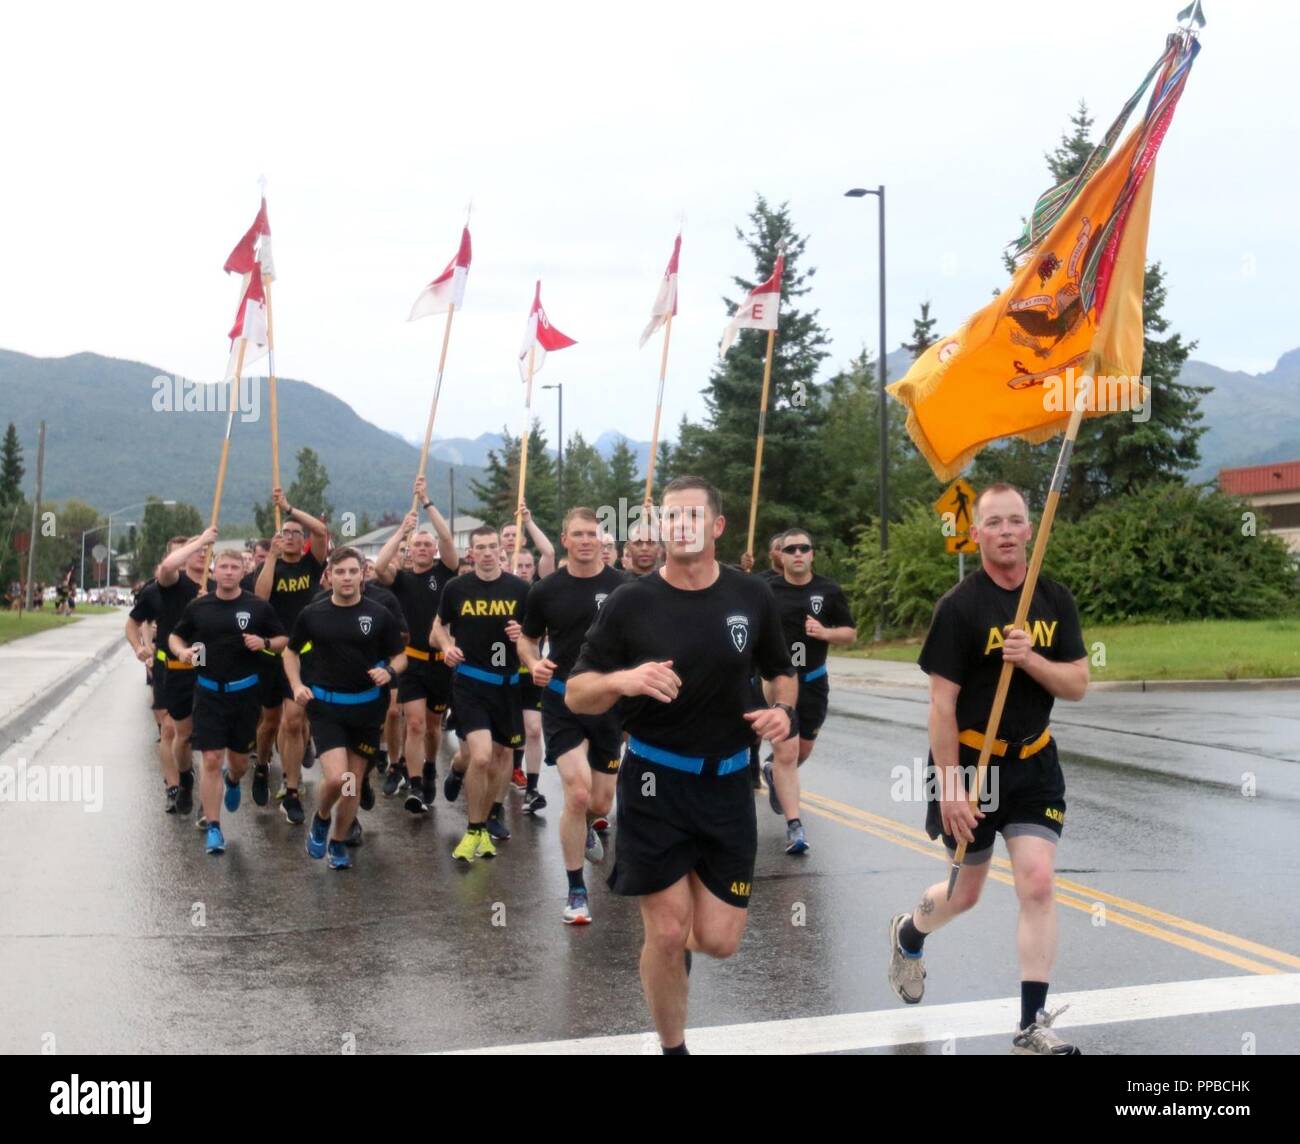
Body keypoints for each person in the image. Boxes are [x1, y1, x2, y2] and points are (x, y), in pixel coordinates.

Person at [566, 477, 794, 1054]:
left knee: (717, 941)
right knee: (667, 932)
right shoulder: (630, 601)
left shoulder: (751, 597)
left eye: (694, 516)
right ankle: (673, 1046)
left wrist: (783, 711)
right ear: (660, 527)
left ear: (717, 526)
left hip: (727, 787)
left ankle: (674, 955)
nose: (681, 525)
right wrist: (625, 679)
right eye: (671, 517)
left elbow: (780, 670)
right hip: (653, 784)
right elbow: (577, 693)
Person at [885, 483, 1089, 1055]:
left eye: (1014, 521)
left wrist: (1032, 660)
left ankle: (1032, 1024)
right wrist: (950, 787)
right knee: (966, 893)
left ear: (1030, 530)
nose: (1004, 531)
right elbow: (941, 706)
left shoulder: (1054, 599)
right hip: (972, 766)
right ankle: (909, 932)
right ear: (975, 535)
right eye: (992, 522)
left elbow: (1077, 683)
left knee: (1039, 882)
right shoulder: (960, 608)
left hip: (1033, 762)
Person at [519, 507, 629, 923]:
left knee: (599, 803)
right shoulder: (546, 590)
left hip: (609, 703)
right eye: (577, 534)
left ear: (602, 540)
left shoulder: (623, 588)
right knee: (577, 792)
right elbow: (528, 641)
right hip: (563, 700)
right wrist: (533, 663)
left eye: (593, 534)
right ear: (564, 540)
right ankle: (576, 890)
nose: (586, 541)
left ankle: (585, 826)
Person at [284, 547, 407, 870]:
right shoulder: (313, 614)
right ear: (330, 575)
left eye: (353, 571)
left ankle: (338, 841)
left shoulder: (380, 614)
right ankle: (322, 817)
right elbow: (290, 652)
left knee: (352, 782)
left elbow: (400, 655)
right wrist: (297, 685)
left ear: (363, 573)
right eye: (340, 572)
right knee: (338, 778)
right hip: (326, 708)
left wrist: (389, 672)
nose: (348, 578)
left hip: (367, 710)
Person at [169, 549, 287, 854]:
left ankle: (233, 781)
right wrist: (181, 652)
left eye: (236, 567)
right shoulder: (199, 606)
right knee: (210, 759)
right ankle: (214, 827)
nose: (230, 571)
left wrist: (264, 644)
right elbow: (175, 636)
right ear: (214, 570)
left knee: (237, 763)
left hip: (245, 695)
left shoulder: (257, 607)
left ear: (242, 570)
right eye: (224, 566)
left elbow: (282, 640)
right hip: (208, 693)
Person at [432, 525, 529, 862]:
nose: (487, 553)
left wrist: (524, 636)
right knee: (483, 756)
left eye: (492, 547)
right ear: (471, 553)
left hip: (508, 685)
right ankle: (474, 830)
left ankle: (486, 817)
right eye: (480, 548)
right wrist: (446, 647)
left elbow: (535, 639)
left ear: (501, 551)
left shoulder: (520, 589)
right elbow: (437, 628)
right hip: (470, 682)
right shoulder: (456, 588)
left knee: (502, 757)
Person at [760, 528, 856, 855]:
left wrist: (825, 632)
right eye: (791, 549)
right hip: (779, 680)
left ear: (812, 554)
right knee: (787, 753)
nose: (798, 554)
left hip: (815, 680)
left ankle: (772, 770)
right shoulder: (766, 589)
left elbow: (850, 634)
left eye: (804, 548)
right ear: (781, 556)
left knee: (801, 751)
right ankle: (794, 826)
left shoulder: (828, 590)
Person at [373, 478, 458, 813]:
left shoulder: (446, 573)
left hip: (441, 661)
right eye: (417, 545)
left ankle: (430, 767)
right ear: (409, 551)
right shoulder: (401, 579)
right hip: (411, 662)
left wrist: (426, 503)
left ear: (433, 550)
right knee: (415, 723)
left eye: (427, 545)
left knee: (434, 728)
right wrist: (401, 531)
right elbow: (380, 566)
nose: (423, 548)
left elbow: (448, 538)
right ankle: (416, 784)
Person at [252, 490, 330, 824]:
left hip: (303, 653)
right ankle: (261, 765)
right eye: (286, 533)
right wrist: (271, 556)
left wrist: (290, 509)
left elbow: (323, 532)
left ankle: (293, 790)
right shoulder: (274, 565)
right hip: (272, 651)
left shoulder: (313, 564)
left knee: (293, 720)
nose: (291, 538)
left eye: (297, 534)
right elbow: (260, 597)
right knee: (270, 723)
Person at [152, 529, 220, 816]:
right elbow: (167, 566)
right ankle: (185, 777)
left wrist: (212, 603)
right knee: (182, 734)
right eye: (197, 550)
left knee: (210, 741)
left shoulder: (218, 586)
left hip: (211, 667)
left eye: (207, 551)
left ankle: (209, 804)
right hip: (180, 667)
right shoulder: (173, 584)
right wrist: (201, 539)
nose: (203, 554)